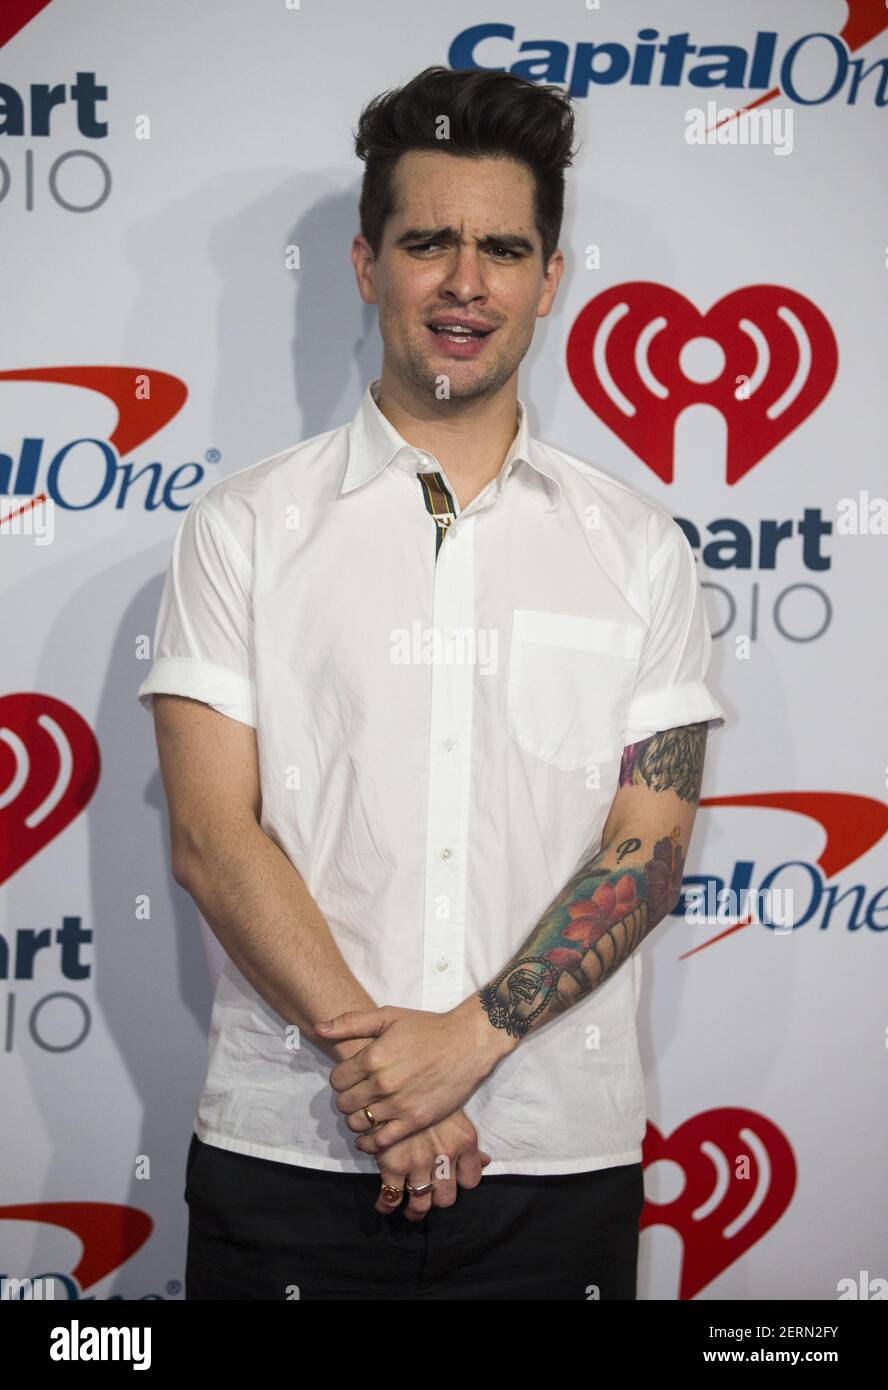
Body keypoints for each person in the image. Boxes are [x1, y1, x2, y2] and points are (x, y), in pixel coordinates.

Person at [137, 64, 726, 1300]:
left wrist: (466, 1044)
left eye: (505, 248)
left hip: (553, 1162)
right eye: (430, 242)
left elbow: (649, 846)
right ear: (366, 264)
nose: (468, 282)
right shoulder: (242, 526)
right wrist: (396, 1087)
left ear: (550, 279)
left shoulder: (638, 548)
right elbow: (209, 832)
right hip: (288, 1157)